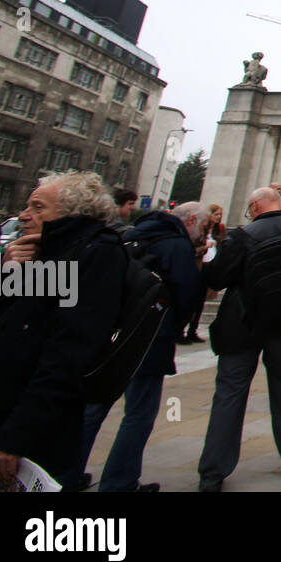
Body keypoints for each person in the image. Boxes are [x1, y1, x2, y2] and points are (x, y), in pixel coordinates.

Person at [0, 172, 127, 486]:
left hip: (19, 436)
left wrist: (15, 436)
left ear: (72, 213)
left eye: (37, 207)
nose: (23, 215)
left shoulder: (94, 254)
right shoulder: (43, 252)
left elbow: (66, 357)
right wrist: (3, 271)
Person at [196, 186, 281, 491]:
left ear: (254, 206)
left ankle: (212, 472)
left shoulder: (240, 236)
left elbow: (216, 279)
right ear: (278, 204)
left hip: (241, 321)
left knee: (229, 393)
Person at [63, 203, 204, 492]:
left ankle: (67, 475)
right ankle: (119, 482)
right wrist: (173, 326)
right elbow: (187, 292)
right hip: (149, 339)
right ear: (190, 220)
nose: (202, 233)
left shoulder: (129, 236)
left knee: (93, 408)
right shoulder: (177, 246)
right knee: (139, 413)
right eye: (202, 227)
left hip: (111, 335)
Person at [182, 203, 223, 344]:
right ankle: (181, 331)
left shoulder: (218, 231)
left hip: (209, 268)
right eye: (216, 214)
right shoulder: (199, 231)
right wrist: (206, 247)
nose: (218, 217)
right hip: (198, 267)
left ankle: (192, 330)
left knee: (200, 302)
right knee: (191, 300)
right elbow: (192, 250)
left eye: (219, 215)